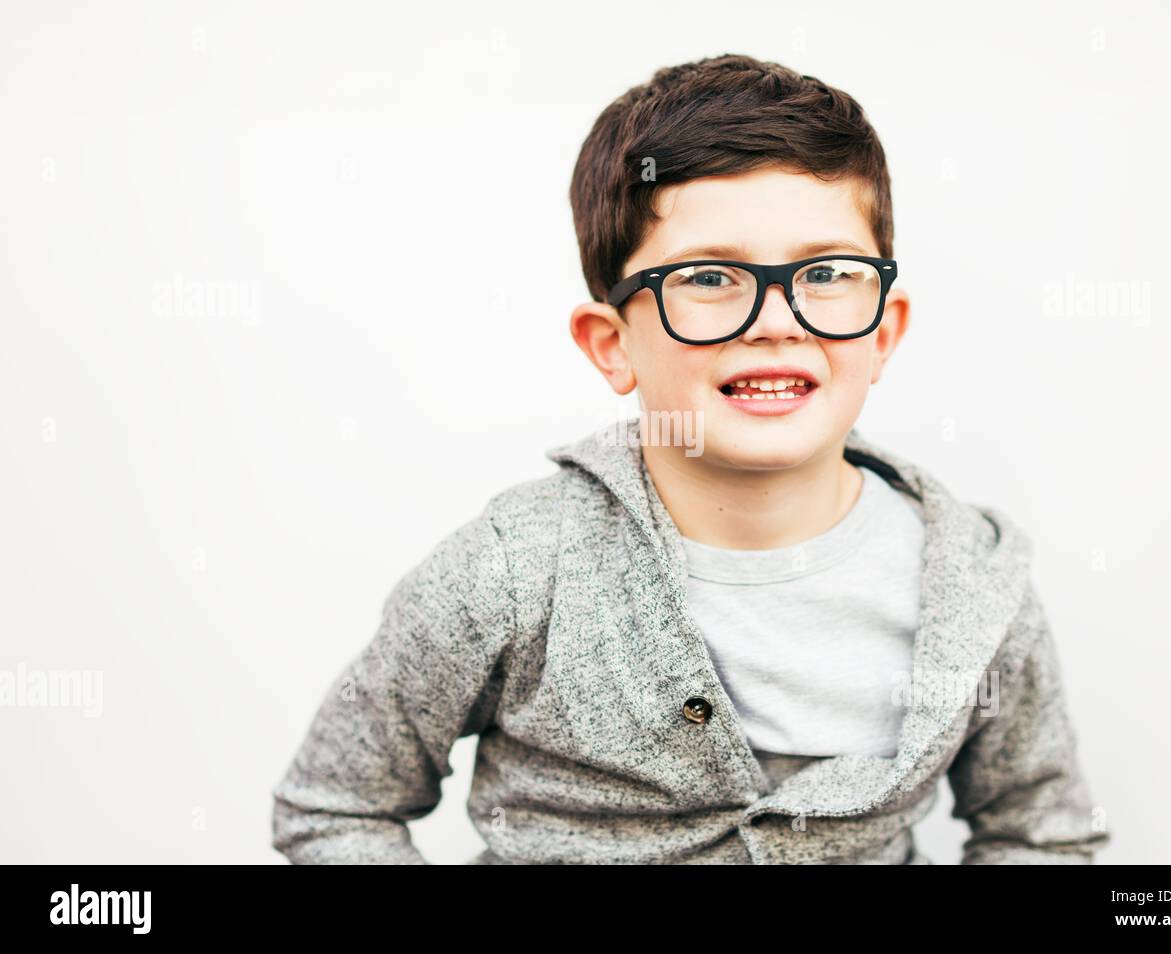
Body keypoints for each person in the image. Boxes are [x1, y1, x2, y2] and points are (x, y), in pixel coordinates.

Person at [270, 52, 1110, 865]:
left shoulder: (976, 587)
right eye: (709, 278)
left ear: (884, 332)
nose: (778, 320)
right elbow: (335, 806)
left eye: (825, 272)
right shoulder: (511, 572)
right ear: (612, 345)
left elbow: (1042, 834)